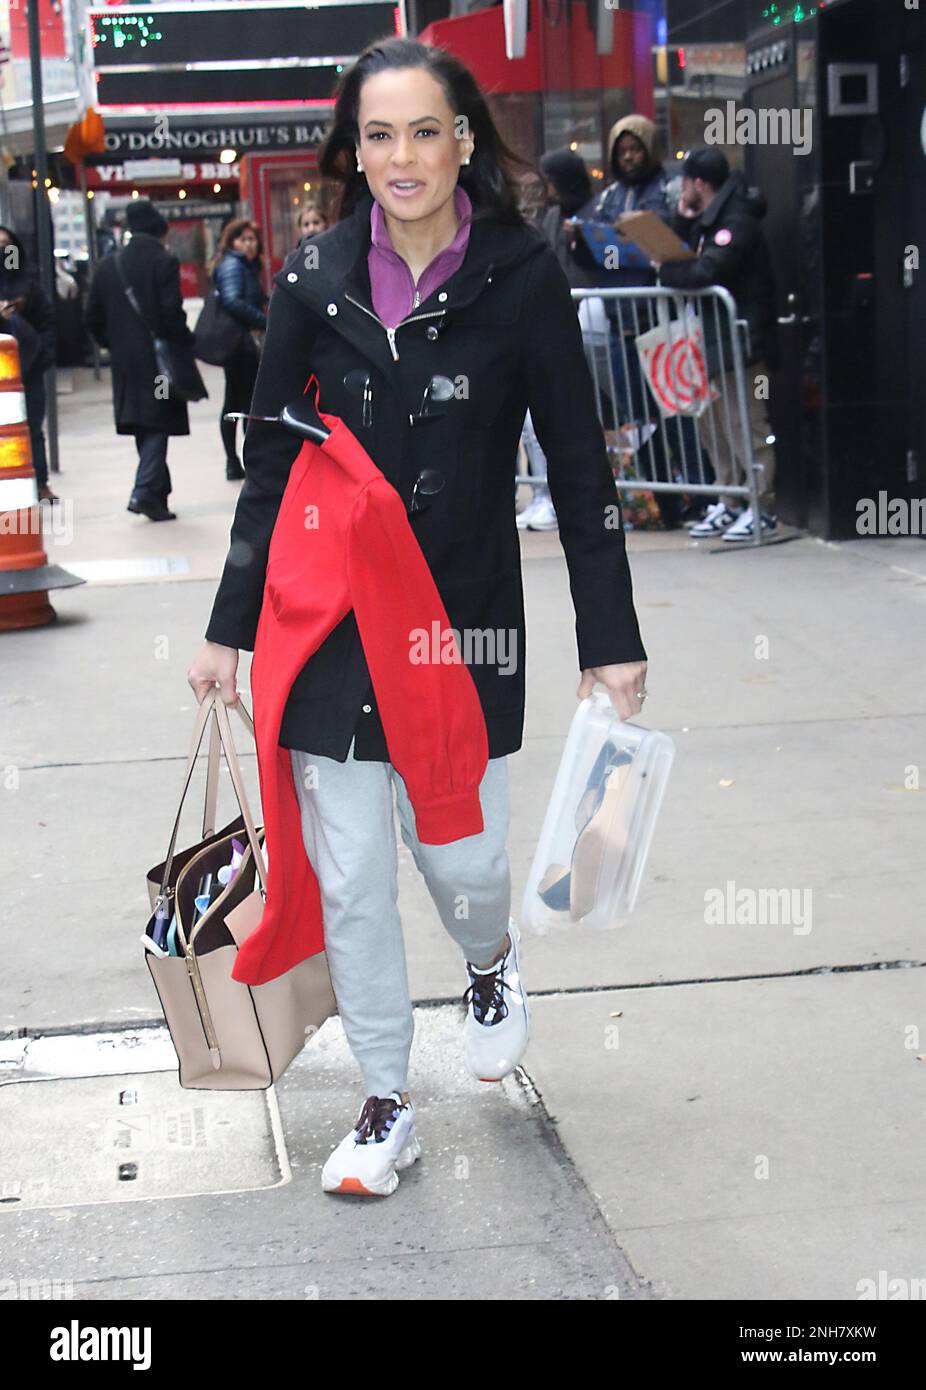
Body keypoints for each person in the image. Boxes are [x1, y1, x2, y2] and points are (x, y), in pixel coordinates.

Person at [187, 36, 649, 1198]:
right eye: (378, 133)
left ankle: (487, 960)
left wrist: (612, 641)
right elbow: (264, 467)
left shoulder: (520, 275)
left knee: (463, 867)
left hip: (455, 629)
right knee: (350, 881)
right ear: (354, 148)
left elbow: (581, 471)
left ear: (463, 143)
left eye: (425, 131)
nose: (402, 157)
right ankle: (386, 1100)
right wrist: (225, 625)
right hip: (327, 623)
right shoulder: (309, 279)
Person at [566, 115, 686, 530]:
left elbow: (676, 241)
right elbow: (596, 258)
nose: (629, 157)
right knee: (639, 417)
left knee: (676, 414)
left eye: (636, 149)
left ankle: (693, 494)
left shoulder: (667, 191)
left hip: (660, 320)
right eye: (623, 151)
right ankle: (656, 502)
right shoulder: (609, 197)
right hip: (621, 323)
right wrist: (580, 242)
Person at [656, 147, 779, 541]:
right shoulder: (710, 219)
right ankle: (729, 500)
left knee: (746, 424)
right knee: (714, 426)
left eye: (685, 184)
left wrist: (668, 271)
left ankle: (762, 505)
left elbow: (709, 268)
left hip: (740, 342)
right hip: (710, 342)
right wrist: (683, 219)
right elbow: (686, 252)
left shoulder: (736, 219)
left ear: (699, 183)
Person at [84, 199, 193, 521]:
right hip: (158, 365)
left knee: (144, 423)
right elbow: (171, 314)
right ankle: (144, 491)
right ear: (159, 231)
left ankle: (157, 495)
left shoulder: (108, 265)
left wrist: (113, 344)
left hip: (126, 363)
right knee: (157, 421)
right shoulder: (164, 261)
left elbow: (91, 318)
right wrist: (184, 341)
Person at [516, 150, 596, 533]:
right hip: (550, 322)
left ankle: (562, 500)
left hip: (582, 322)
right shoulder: (548, 217)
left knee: (567, 419)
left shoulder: (592, 213)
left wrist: (584, 239)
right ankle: (544, 495)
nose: (545, 188)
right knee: (532, 422)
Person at [0, 226, 57, 503]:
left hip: (29, 367)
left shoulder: (29, 284)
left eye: (7, 246)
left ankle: (40, 482)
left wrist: (42, 353)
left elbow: (47, 321)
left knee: (33, 427)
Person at [208, 219, 268, 480]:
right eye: (243, 239)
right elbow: (233, 302)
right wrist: (265, 321)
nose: (249, 244)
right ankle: (237, 461)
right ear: (232, 242)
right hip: (239, 344)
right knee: (240, 403)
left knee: (238, 401)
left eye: (253, 239)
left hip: (239, 343)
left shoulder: (244, 266)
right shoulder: (234, 265)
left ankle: (237, 461)